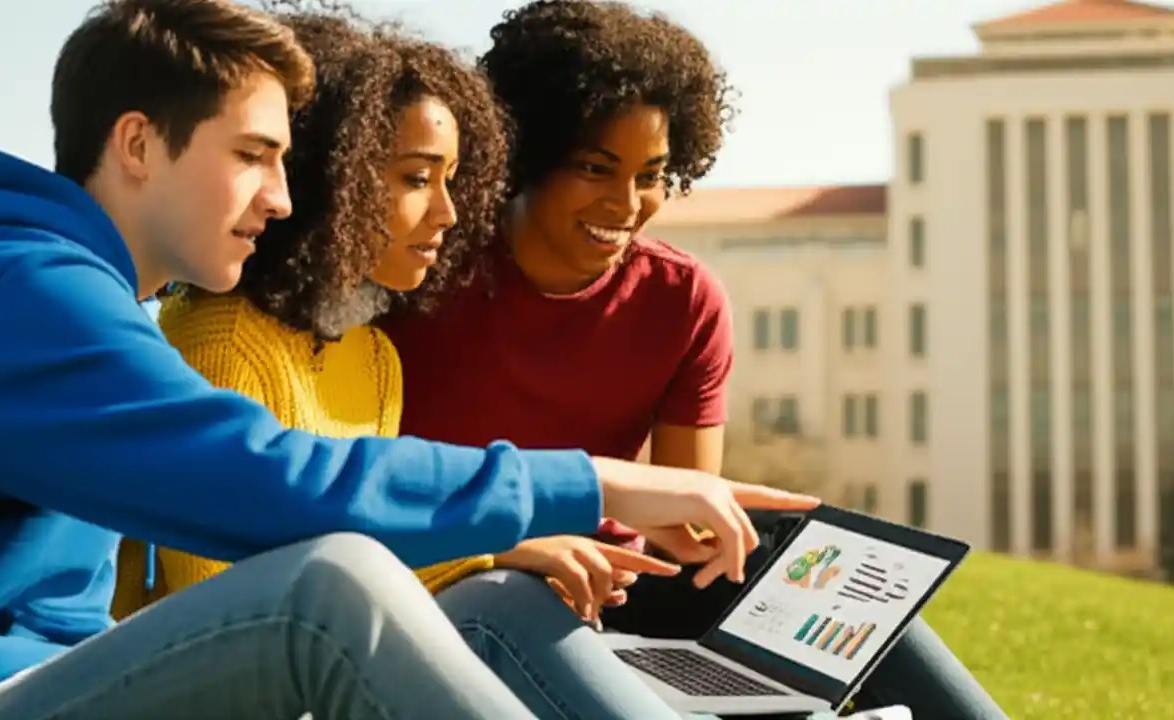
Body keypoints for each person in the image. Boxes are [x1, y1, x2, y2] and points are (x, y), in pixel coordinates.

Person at [0, 1, 818, 718]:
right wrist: (589, 484)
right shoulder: (29, 288)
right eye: (252, 156)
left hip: (53, 672)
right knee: (332, 585)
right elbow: (268, 485)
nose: (283, 195)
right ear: (139, 145)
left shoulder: (81, 295)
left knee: (447, 590)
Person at [380, 1, 1006, 718]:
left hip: (619, 586)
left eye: (652, 174)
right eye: (594, 167)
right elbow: (361, 488)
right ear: (529, 150)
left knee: (847, 610)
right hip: (477, 581)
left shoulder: (683, 301)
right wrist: (513, 543)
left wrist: (777, 564)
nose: (626, 203)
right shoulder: (422, 271)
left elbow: (683, 516)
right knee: (518, 595)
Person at [108, 12, 706, 718]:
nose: (450, 213)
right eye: (418, 178)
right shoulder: (223, 342)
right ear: (337, 175)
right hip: (220, 685)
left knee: (505, 598)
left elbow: (365, 552)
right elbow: (250, 602)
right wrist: (491, 546)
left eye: (455, 179)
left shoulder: (374, 355)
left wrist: (497, 555)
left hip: (324, 651)